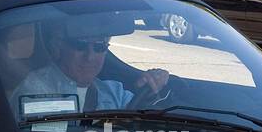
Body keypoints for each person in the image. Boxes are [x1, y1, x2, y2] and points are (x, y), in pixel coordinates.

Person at [12, 28, 169, 116]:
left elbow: (140, 121)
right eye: (80, 46)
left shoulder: (114, 91)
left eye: (99, 47)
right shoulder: (36, 88)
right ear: (57, 46)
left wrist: (151, 90)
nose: (90, 56)